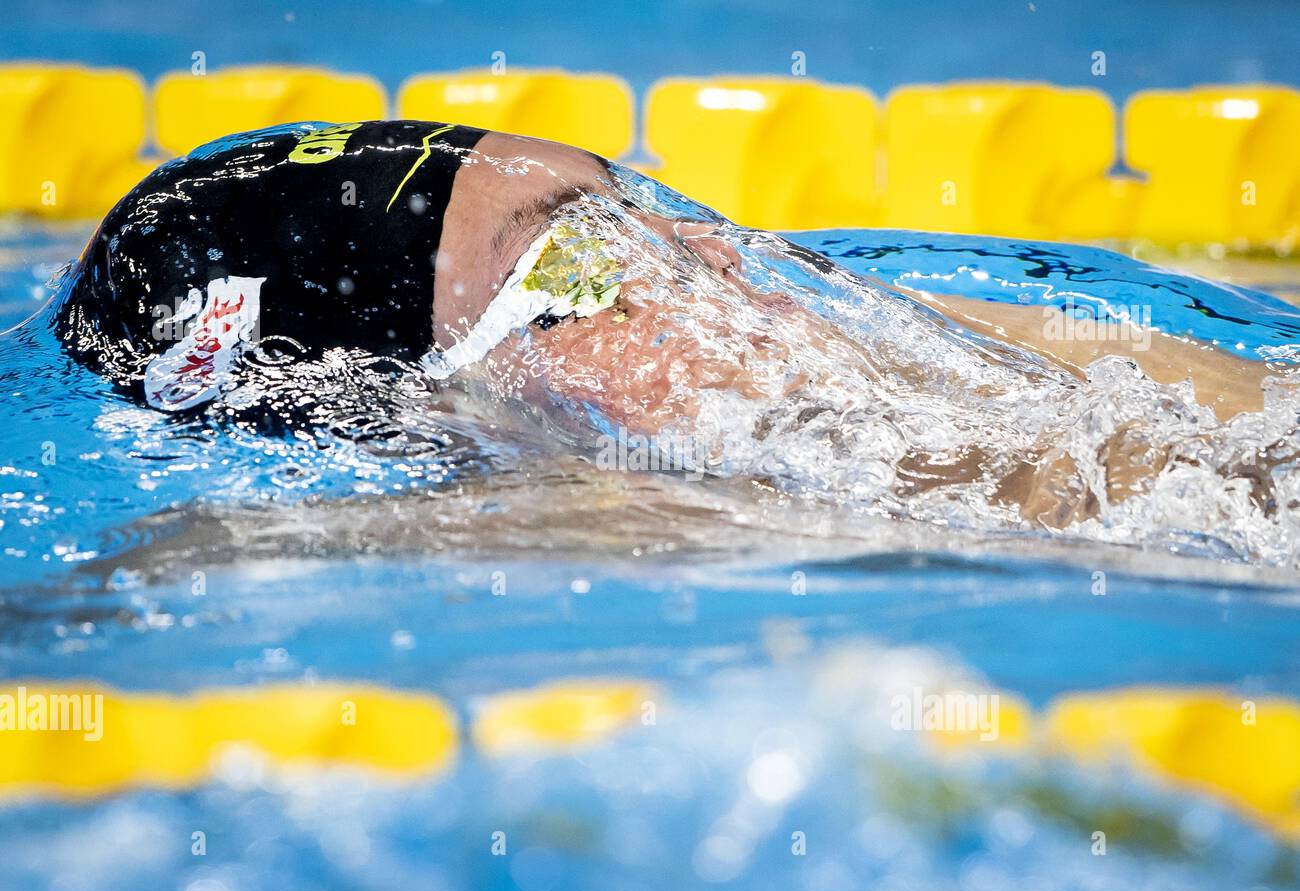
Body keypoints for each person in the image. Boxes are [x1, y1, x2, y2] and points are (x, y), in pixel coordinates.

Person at [52, 120, 1286, 526]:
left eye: (636, 207)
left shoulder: (887, 355)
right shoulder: (560, 545)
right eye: (578, 262)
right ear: (424, 410)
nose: (713, 260)